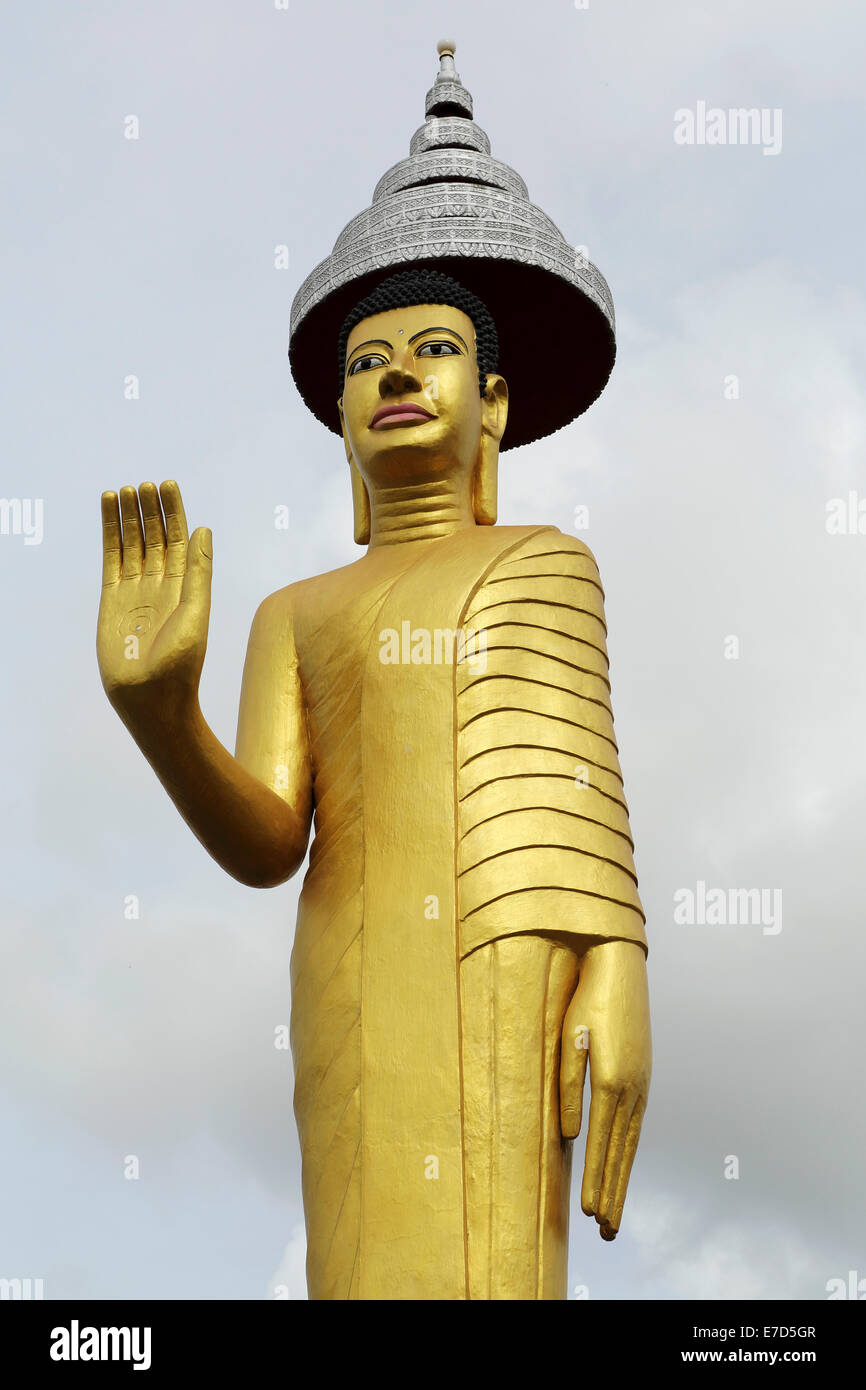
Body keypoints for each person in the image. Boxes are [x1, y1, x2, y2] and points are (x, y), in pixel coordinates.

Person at [97, 268, 651, 1300]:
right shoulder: (294, 613)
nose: (395, 369)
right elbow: (268, 842)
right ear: (342, 424)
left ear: (490, 402)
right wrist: (161, 715)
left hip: (503, 953)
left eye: (433, 349)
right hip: (348, 971)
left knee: (493, 1256)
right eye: (364, 362)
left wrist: (617, 967)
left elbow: (574, 790)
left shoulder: (544, 562)